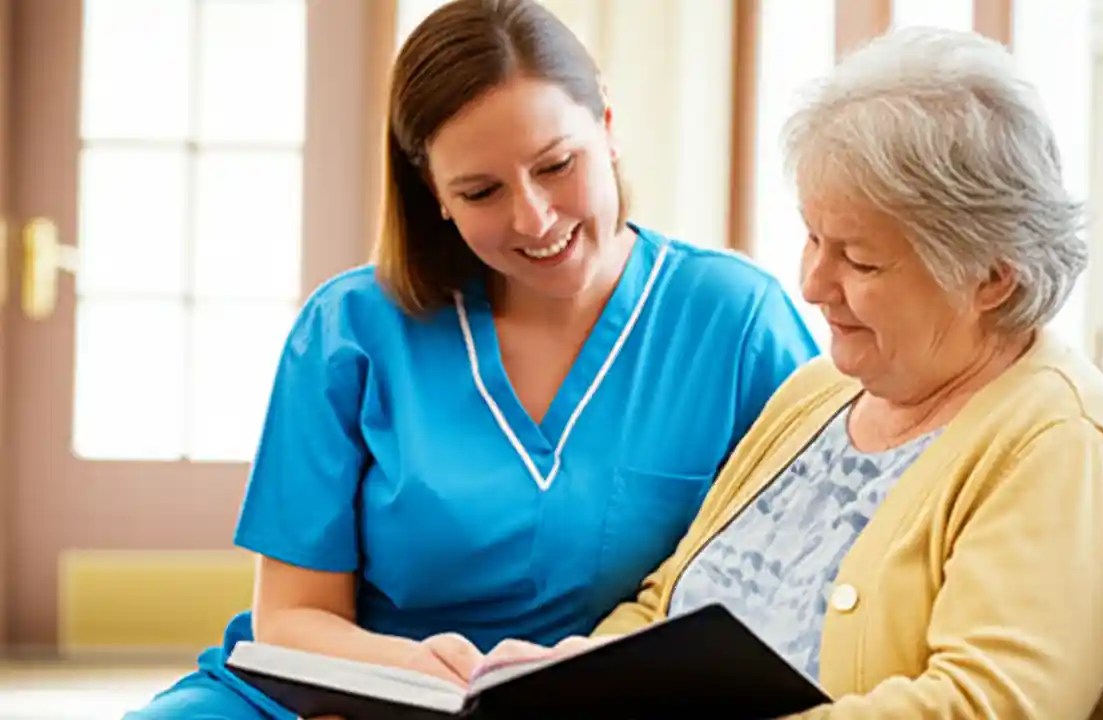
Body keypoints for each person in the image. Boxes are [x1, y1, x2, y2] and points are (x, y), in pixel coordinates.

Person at [124, 0, 817, 717]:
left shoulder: (735, 319)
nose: (535, 219)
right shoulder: (350, 328)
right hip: (355, 687)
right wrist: (416, 668)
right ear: (435, 194)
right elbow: (292, 618)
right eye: (482, 191)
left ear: (606, 126)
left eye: (557, 164)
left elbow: (804, 576)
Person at [506, 28, 1103, 719]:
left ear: (992, 278)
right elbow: (666, 603)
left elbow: (980, 708)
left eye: (860, 260)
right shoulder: (819, 394)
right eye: (814, 237)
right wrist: (572, 676)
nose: (814, 283)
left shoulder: (1064, 448)